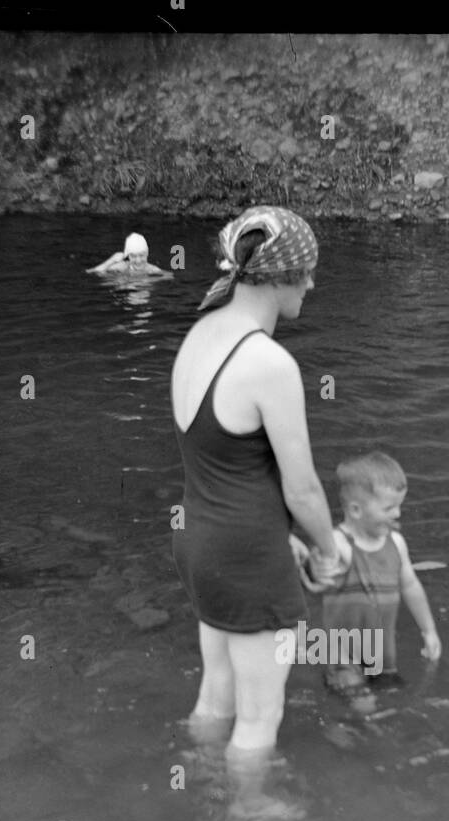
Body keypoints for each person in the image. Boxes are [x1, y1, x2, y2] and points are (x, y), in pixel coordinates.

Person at [170, 205, 342, 776]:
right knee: (259, 719)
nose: (313, 284)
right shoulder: (268, 362)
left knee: (216, 695)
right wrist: (327, 549)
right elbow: (304, 490)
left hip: (201, 545)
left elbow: (225, 464)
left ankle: (196, 788)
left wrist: (280, 540)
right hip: (246, 557)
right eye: (308, 271)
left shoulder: (198, 337)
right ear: (280, 275)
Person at [307, 451, 442, 697]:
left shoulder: (396, 544)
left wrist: (428, 630)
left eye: (399, 506)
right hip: (342, 659)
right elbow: (313, 574)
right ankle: (340, 730)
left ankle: (344, 727)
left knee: (394, 702)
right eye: (389, 508)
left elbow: (410, 586)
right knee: (363, 710)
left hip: (381, 657)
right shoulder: (338, 544)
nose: (398, 514)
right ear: (356, 510)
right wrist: (315, 568)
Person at [86, 232, 168, 277]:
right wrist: (112, 260)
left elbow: (169, 276)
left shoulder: (153, 270)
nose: (138, 260)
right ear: (127, 256)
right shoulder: (123, 266)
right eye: (133, 256)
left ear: (147, 254)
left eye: (142, 255)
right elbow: (91, 272)